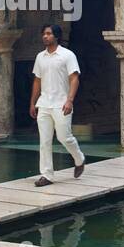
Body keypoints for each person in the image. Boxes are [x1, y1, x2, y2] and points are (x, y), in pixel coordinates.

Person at [29, 23, 85, 186]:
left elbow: (74, 78)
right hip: (44, 104)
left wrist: (69, 100)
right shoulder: (40, 57)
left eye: (48, 34)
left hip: (62, 103)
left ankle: (79, 158)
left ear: (56, 36)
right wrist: (33, 103)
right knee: (44, 140)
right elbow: (37, 80)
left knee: (64, 137)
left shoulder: (67, 55)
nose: (45, 36)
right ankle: (46, 175)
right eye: (43, 34)